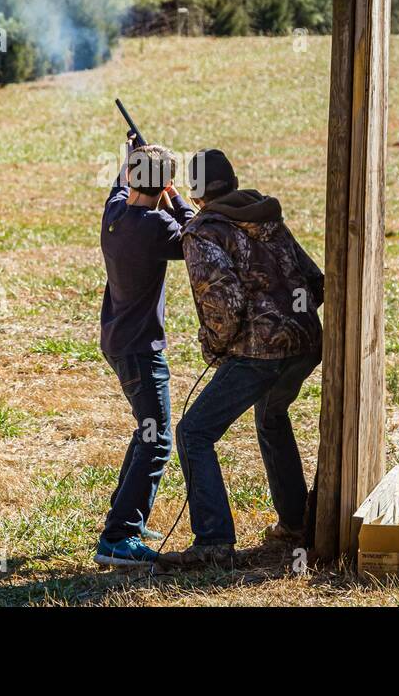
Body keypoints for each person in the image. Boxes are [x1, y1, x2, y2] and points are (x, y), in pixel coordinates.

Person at [164, 148, 324, 568]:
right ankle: (295, 524)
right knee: (272, 418)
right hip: (305, 344)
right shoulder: (265, 216)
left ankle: (213, 542)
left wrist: (217, 347)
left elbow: (224, 304)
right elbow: (314, 281)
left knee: (194, 433)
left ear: (197, 194)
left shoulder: (203, 232)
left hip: (259, 352)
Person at [94, 138, 194, 567]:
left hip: (118, 342)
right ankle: (118, 537)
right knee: (157, 441)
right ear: (164, 185)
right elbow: (196, 230)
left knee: (146, 431)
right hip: (141, 351)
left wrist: (137, 157)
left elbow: (121, 185)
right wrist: (172, 194)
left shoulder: (114, 214)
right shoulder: (159, 229)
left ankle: (125, 518)